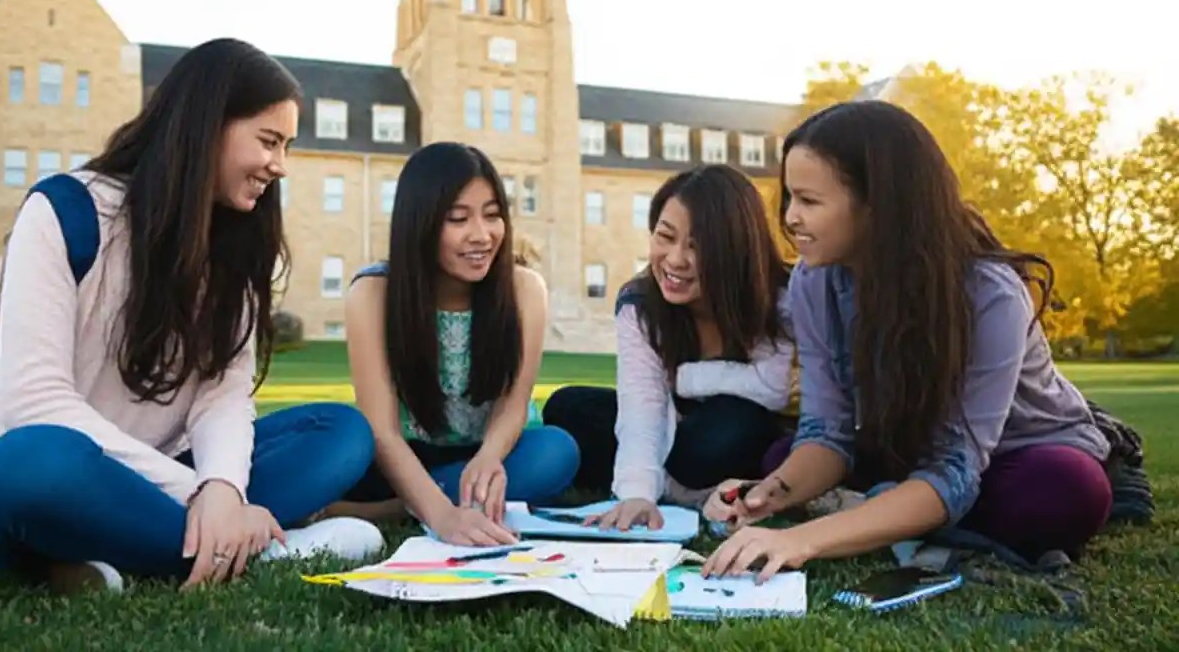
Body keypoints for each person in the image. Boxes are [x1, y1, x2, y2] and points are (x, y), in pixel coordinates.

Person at [0, 38, 380, 594]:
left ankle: (128, 553)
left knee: (341, 432)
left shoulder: (237, 246)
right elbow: (35, 401)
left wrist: (223, 487)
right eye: (268, 141)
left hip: (176, 470)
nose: (279, 165)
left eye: (287, 146)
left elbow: (223, 394)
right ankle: (252, 552)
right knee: (25, 465)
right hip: (70, 467)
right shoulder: (67, 213)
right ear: (208, 126)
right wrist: (199, 493)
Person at [702, 100, 1117, 580]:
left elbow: (957, 465)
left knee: (1066, 491)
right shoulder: (813, 283)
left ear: (880, 206)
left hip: (1014, 451)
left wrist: (802, 540)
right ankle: (888, 514)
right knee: (782, 460)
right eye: (789, 199)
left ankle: (874, 512)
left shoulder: (990, 293)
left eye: (810, 201)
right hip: (902, 447)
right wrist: (764, 494)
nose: (790, 218)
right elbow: (828, 432)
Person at [341, 142, 579, 547]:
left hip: (493, 450)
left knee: (556, 453)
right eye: (458, 218)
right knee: (342, 446)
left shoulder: (524, 289)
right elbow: (383, 430)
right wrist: (443, 518)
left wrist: (489, 457)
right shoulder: (373, 293)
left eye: (492, 216)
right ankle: (427, 498)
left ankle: (393, 508)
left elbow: (514, 403)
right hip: (404, 453)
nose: (481, 236)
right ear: (421, 222)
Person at [543, 164, 794, 530]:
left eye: (697, 247)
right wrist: (637, 495)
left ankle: (701, 483)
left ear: (734, 252)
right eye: (665, 237)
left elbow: (773, 387)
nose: (675, 260)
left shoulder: (777, 296)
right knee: (567, 408)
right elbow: (642, 403)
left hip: (740, 429)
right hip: (672, 426)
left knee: (726, 431)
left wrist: (684, 379)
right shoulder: (639, 303)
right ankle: (682, 492)